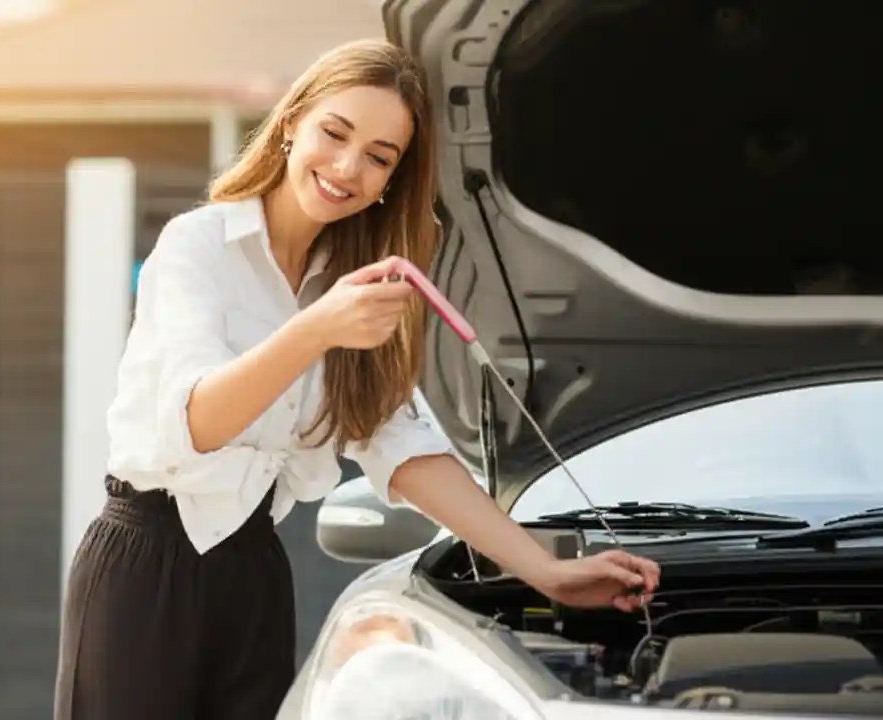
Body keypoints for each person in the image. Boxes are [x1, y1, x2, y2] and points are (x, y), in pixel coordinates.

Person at [53, 38, 660, 719]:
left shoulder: (360, 287)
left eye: (379, 157)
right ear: (291, 124)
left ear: (392, 182)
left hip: (255, 575)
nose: (347, 168)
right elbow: (195, 421)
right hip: (146, 568)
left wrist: (546, 572)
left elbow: (404, 449)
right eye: (335, 134)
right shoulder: (198, 247)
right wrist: (315, 329)